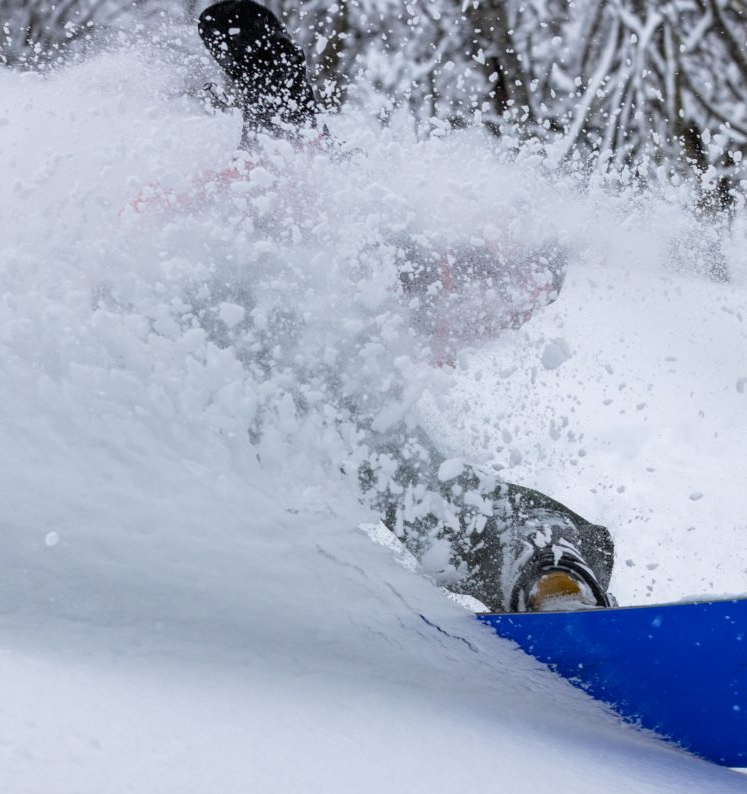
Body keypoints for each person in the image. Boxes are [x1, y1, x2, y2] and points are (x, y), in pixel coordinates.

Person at [196, 1, 615, 613]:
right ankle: (541, 564)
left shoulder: (377, 230)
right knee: (402, 472)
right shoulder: (248, 196)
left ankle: (547, 571)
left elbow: (489, 282)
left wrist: (526, 259)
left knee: (418, 484)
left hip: (331, 405)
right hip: (216, 401)